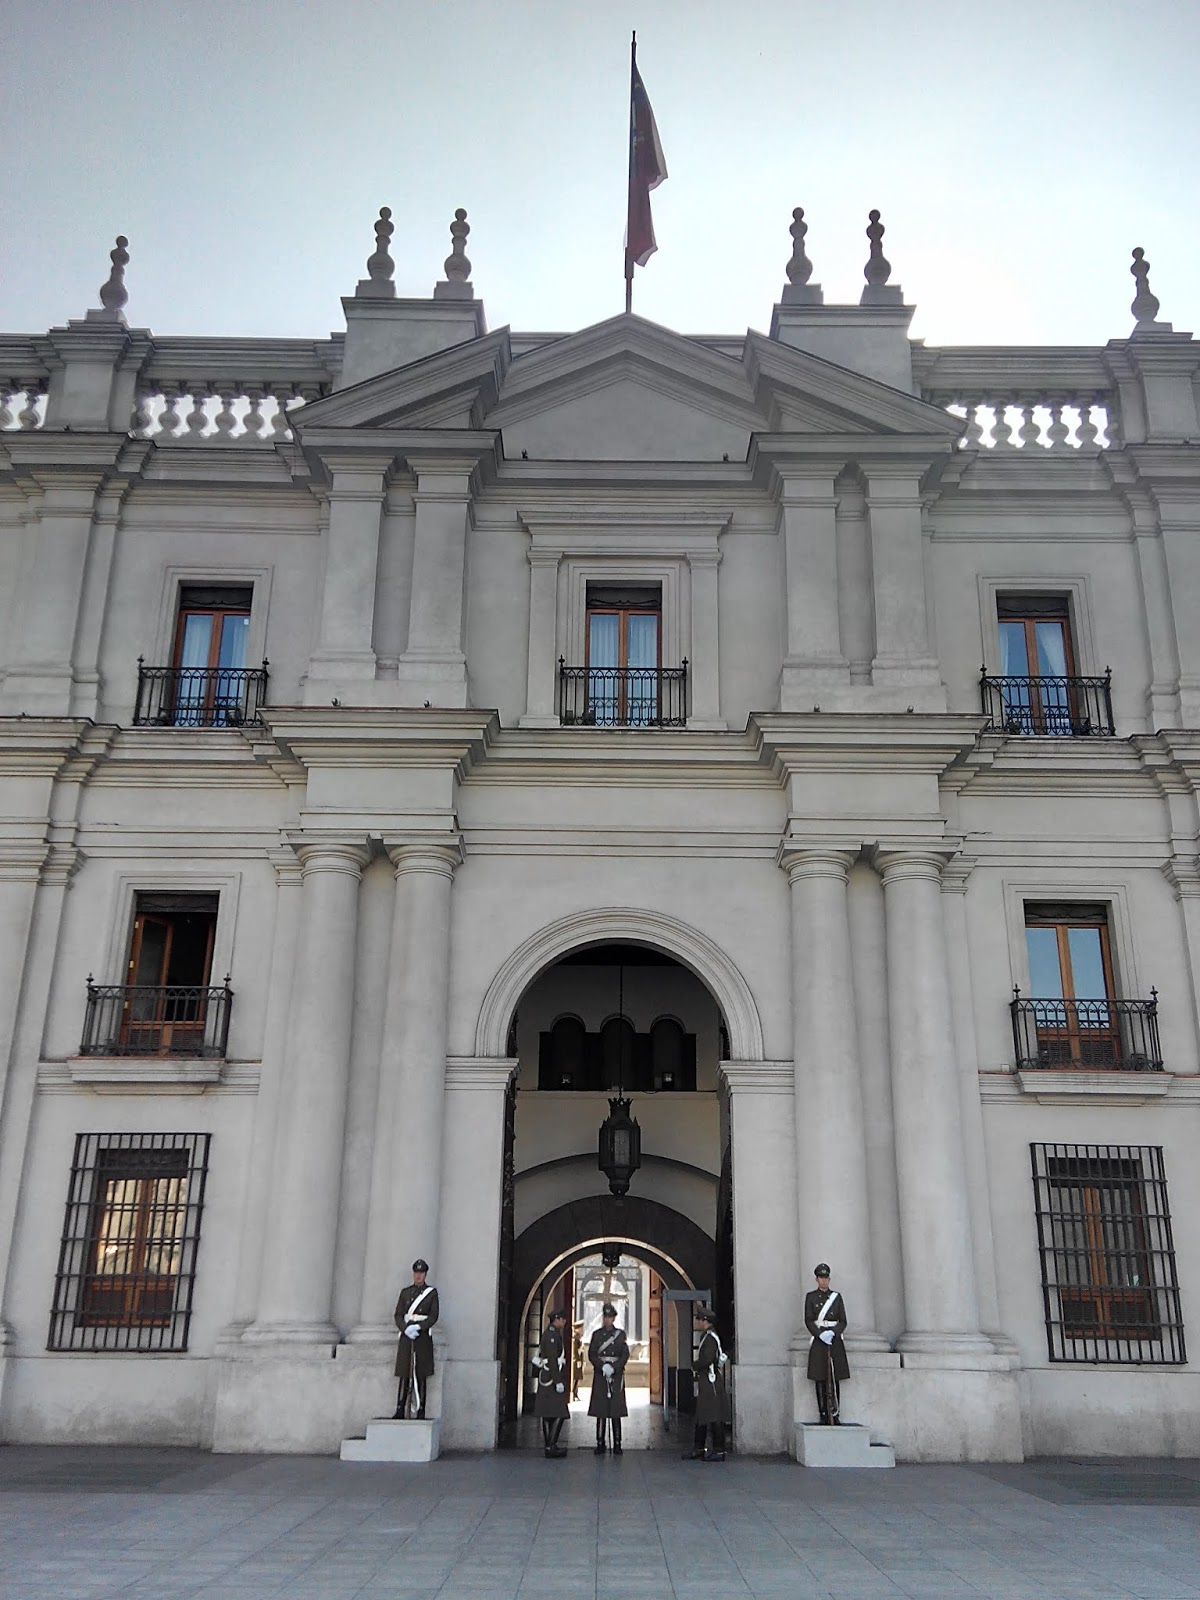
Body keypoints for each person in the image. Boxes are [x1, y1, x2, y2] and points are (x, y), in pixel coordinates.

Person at [393, 1258, 439, 1420]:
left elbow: (433, 1316)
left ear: (425, 1274)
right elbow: (398, 1314)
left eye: (421, 1273)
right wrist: (405, 1328)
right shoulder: (405, 1293)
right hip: (407, 1336)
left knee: (421, 1373)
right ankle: (400, 1407)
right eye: (416, 1273)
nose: (418, 1276)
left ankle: (421, 1409)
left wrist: (419, 1327)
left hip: (422, 1337)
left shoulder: (431, 1293)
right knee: (404, 1372)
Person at [804, 1262, 848, 1425]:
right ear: (817, 1279)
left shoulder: (836, 1297)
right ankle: (823, 1412)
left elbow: (843, 1320)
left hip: (834, 1340)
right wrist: (820, 1334)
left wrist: (833, 1332)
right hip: (819, 1339)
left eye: (826, 1278)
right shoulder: (811, 1297)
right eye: (821, 1278)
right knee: (820, 1377)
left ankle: (834, 1412)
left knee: (834, 1378)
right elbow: (809, 1320)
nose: (824, 1280)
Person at [683, 1304, 727, 1461]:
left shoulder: (710, 1338)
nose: (697, 1322)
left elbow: (707, 1359)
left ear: (705, 1321)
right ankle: (699, 1448)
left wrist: (695, 1365)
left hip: (710, 1380)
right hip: (706, 1379)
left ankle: (719, 1450)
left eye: (699, 1319)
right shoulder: (707, 1336)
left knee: (713, 1415)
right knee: (702, 1414)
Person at [587, 1302, 629, 1455]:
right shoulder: (596, 1335)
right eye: (605, 1316)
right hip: (601, 1374)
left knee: (615, 1410)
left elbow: (624, 1354)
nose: (607, 1319)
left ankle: (617, 1443)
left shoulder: (620, 1335)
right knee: (601, 1410)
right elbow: (592, 1354)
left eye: (610, 1317)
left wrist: (615, 1367)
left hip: (616, 1375)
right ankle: (600, 1442)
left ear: (614, 1318)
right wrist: (602, 1366)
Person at [532, 1305, 570, 1457]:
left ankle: (550, 1445)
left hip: (548, 1377)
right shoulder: (552, 1336)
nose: (565, 1322)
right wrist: (558, 1381)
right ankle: (551, 1445)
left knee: (548, 1413)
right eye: (563, 1319)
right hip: (550, 1378)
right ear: (557, 1319)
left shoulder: (552, 1334)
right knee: (559, 1412)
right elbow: (553, 1360)